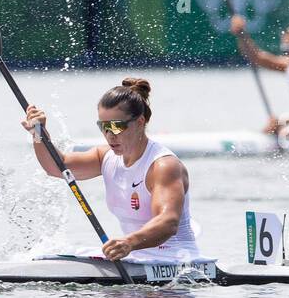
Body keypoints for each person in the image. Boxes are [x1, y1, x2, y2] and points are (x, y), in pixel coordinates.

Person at [21, 78, 200, 263]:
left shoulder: (163, 166)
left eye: (116, 126)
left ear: (140, 122)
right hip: (134, 256)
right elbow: (56, 167)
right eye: (104, 127)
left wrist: (128, 242)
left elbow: (168, 222)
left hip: (177, 259)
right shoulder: (105, 156)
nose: (109, 135)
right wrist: (38, 133)